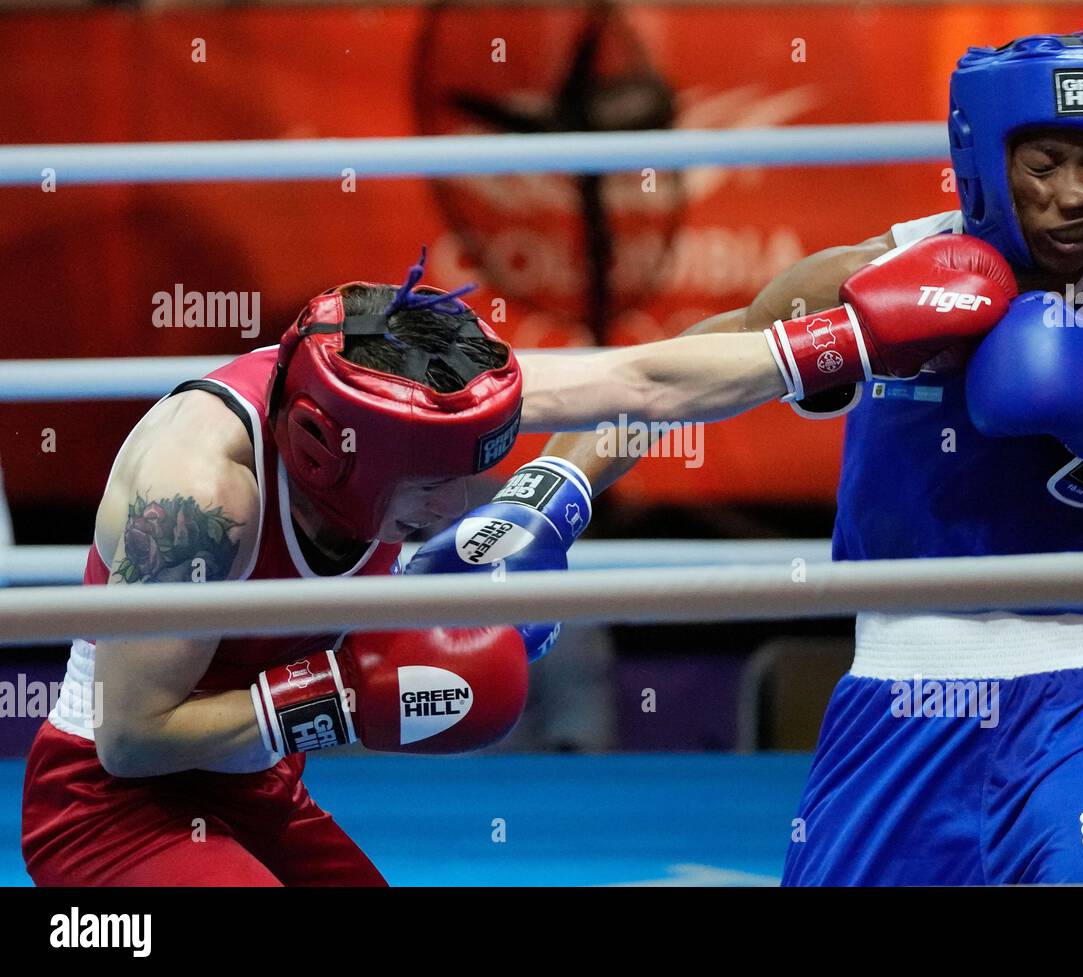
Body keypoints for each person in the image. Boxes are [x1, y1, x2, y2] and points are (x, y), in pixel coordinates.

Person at [20, 241, 1011, 886]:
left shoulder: (414, 399)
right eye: (452, 480)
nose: (480, 492)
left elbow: (645, 378)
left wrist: (842, 341)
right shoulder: (199, 492)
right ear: (344, 459)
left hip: (253, 777)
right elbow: (133, 739)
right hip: (109, 809)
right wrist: (334, 692)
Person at [548, 32, 1083, 884]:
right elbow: (673, 380)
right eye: (1047, 161)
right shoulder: (866, 282)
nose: (1080, 195)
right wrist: (545, 498)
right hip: (898, 698)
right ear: (979, 153)